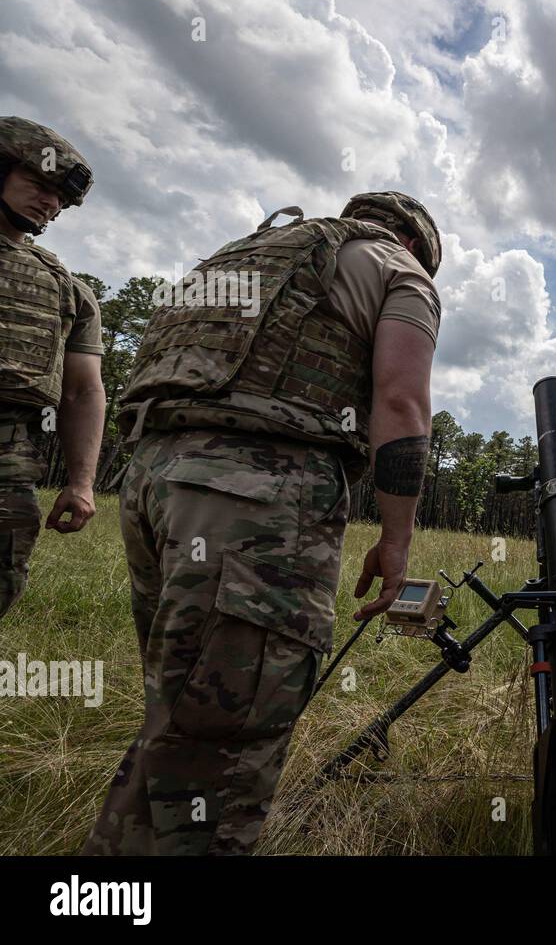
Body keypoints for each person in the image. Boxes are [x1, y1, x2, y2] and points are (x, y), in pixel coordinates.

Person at [84, 191, 443, 854]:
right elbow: (400, 401)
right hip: (255, 502)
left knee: (182, 717)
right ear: (420, 246)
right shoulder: (399, 269)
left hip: (152, 482)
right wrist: (396, 540)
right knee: (227, 746)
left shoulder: (255, 253)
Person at [0, 117, 104, 620]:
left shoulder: (68, 289)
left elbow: (84, 392)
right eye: (38, 185)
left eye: (59, 197)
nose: (50, 203)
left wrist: (82, 481)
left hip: (10, 460)